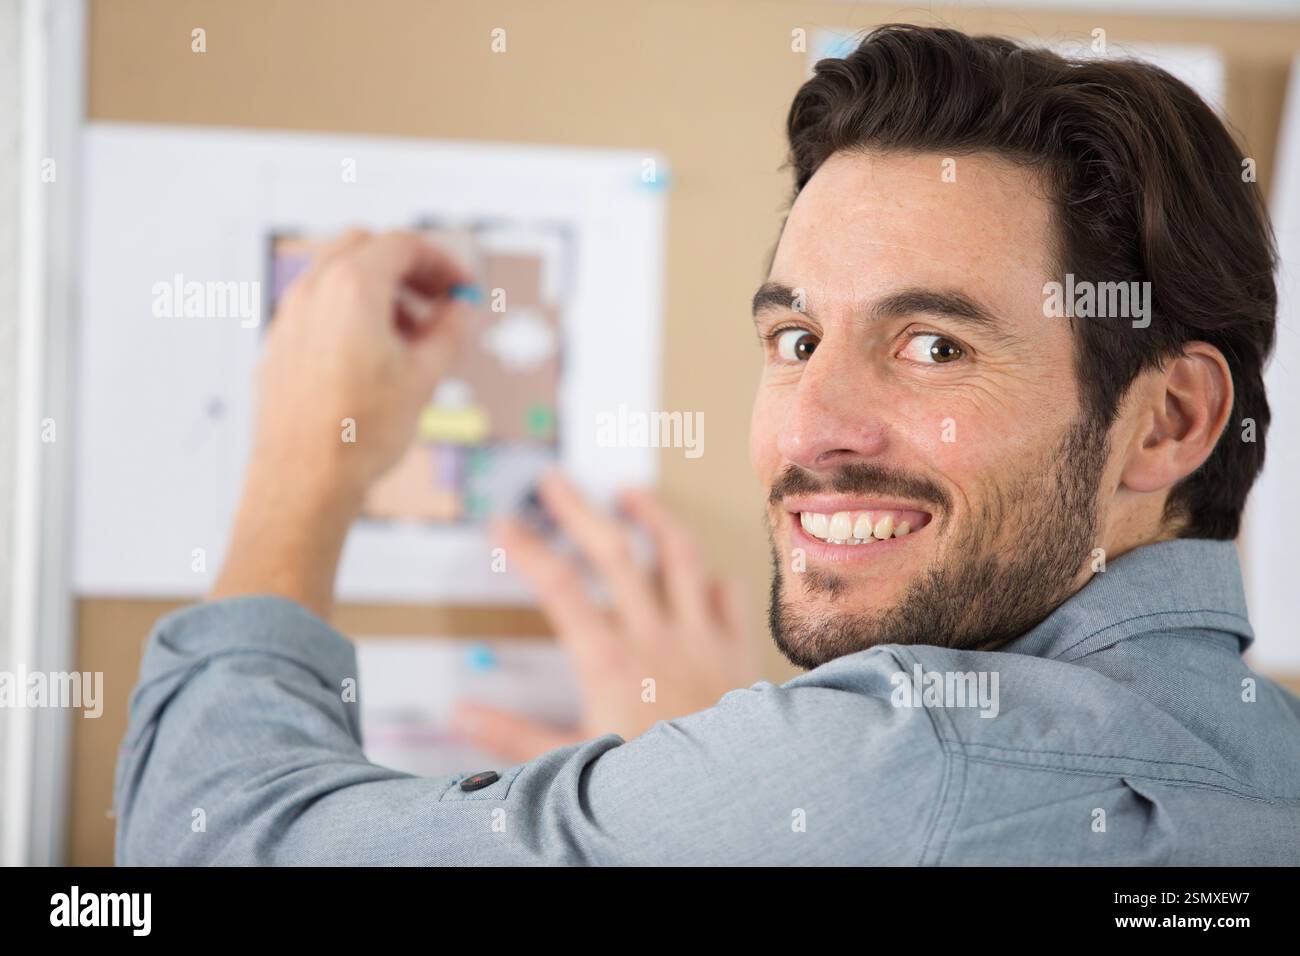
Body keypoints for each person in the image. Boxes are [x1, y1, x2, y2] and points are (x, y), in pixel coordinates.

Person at [115, 24, 1300, 865]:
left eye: (932, 345)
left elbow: (201, 842)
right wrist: (713, 773)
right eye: (792, 338)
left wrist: (306, 458)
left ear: (1168, 419)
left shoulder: (906, 764)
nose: (809, 428)